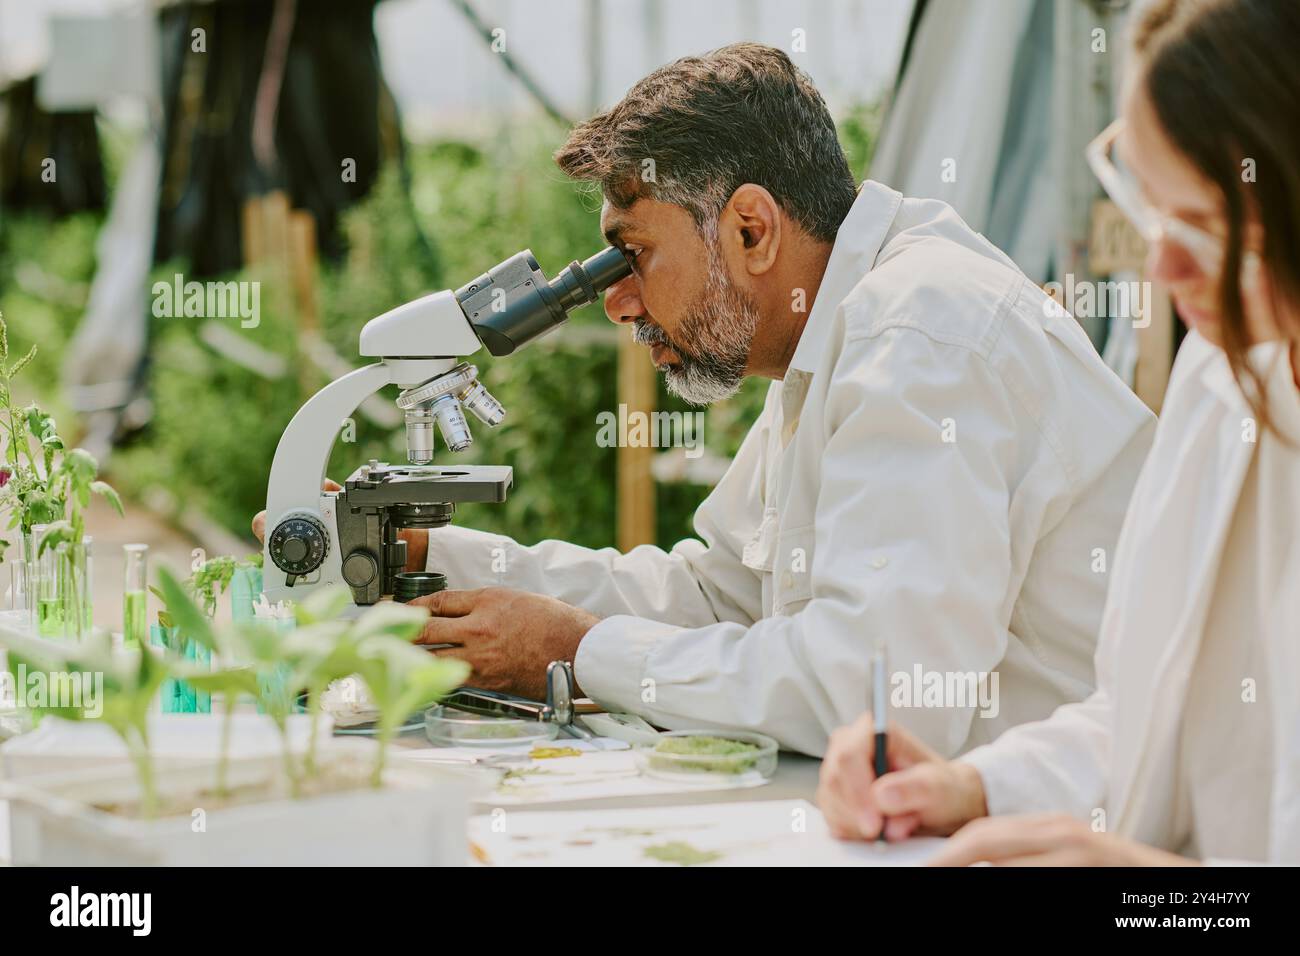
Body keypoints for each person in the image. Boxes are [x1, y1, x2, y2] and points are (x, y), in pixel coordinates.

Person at [256, 43, 1154, 757]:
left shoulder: (919, 334)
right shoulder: (834, 339)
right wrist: (441, 555)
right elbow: (718, 596)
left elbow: (881, 700)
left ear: (751, 229)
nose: (615, 302)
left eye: (632, 253)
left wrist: (574, 651)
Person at [817, 0, 1300, 863]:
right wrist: (974, 787)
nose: (1161, 266)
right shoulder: (1222, 376)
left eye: (1205, 226)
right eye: (1144, 206)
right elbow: (1145, 713)